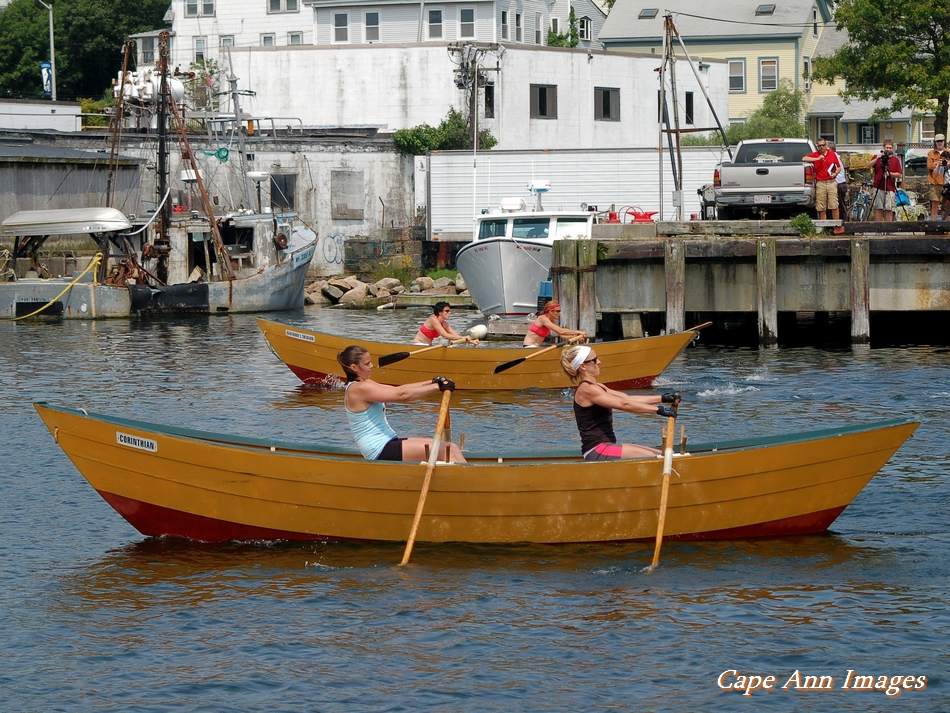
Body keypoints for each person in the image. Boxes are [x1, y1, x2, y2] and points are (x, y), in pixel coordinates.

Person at [337, 345, 466, 463]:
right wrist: (437, 387)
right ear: (354, 368)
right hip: (379, 449)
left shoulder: (365, 384)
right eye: (367, 363)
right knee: (451, 448)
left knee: (442, 445)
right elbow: (402, 396)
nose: (371, 366)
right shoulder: (359, 389)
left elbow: (400, 389)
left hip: (388, 442)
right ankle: (472, 484)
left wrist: (432, 382)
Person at [559, 344, 679, 460]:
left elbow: (626, 399)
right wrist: (658, 410)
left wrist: (663, 398)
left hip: (606, 447)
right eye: (594, 360)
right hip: (597, 450)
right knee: (666, 457)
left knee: (664, 454)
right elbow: (624, 405)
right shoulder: (587, 390)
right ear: (583, 366)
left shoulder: (598, 386)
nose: (599, 362)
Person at [522, 301, 588, 347]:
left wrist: (576, 338)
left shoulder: (551, 322)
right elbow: (560, 330)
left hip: (536, 348)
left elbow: (562, 335)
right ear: (550, 311)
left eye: (560, 311)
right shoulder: (542, 318)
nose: (560, 313)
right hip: (528, 347)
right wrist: (579, 332)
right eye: (558, 311)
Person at [802, 139, 840, 220]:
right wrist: (817, 159)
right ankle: (823, 227)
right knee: (821, 207)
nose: (821, 147)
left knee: (834, 205)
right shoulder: (816, 155)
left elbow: (839, 167)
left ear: (826, 146)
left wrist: (835, 173)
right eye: (819, 146)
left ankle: (837, 227)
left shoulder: (832, 154)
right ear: (818, 147)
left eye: (823, 145)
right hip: (820, 182)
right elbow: (804, 158)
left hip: (831, 182)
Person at [867, 140, 903, 222]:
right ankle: (878, 227)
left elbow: (899, 174)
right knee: (878, 208)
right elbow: (868, 165)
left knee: (889, 208)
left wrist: (889, 174)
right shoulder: (877, 157)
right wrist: (877, 158)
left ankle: (888, 228)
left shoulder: (895, 160)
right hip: (878, 186)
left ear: (892, 148)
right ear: (883, 147)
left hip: (890, 186)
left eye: (890, 148)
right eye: (887, 147)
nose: (888, 149)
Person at [413, 301, 478, 346]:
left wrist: (471, 341)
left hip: (428, 346)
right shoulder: (433, 320)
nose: (449, 313)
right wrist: (463, 338)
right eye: (447, 311)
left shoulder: (445, 324)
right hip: (418, 344)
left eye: (449, 311)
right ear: (440, 312)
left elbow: (457, 336)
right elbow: (445, 336)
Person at [927, 133, 950, 220]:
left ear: (944, 142)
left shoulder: (948, 152)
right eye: (938, 141)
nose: (939, 143)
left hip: (946, 183)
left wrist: (946, 164)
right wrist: (938, 164)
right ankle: (933, 226)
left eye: (941, 141)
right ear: (935, 142)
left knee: (946, 206)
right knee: (934, 204)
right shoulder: (930, 153)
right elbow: (930, 166)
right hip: (934, 182)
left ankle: (947, 227)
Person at [829, 141, 849, 221]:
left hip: (839, 183)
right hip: (840, 183)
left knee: (839, 205)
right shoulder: (836, 156)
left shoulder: (834, 157)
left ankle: (844, 224)